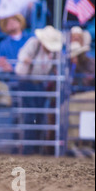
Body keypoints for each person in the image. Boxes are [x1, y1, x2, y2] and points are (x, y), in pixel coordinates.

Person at [15, 25, 63, 154]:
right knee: (31, 115)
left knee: (39, 115)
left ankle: (36, 148)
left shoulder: (53, 52)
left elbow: (58, 67)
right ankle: (28, 148)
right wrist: (28, 60)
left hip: (40, 84)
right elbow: (22, 56)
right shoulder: (34, 44)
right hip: (27, 81)